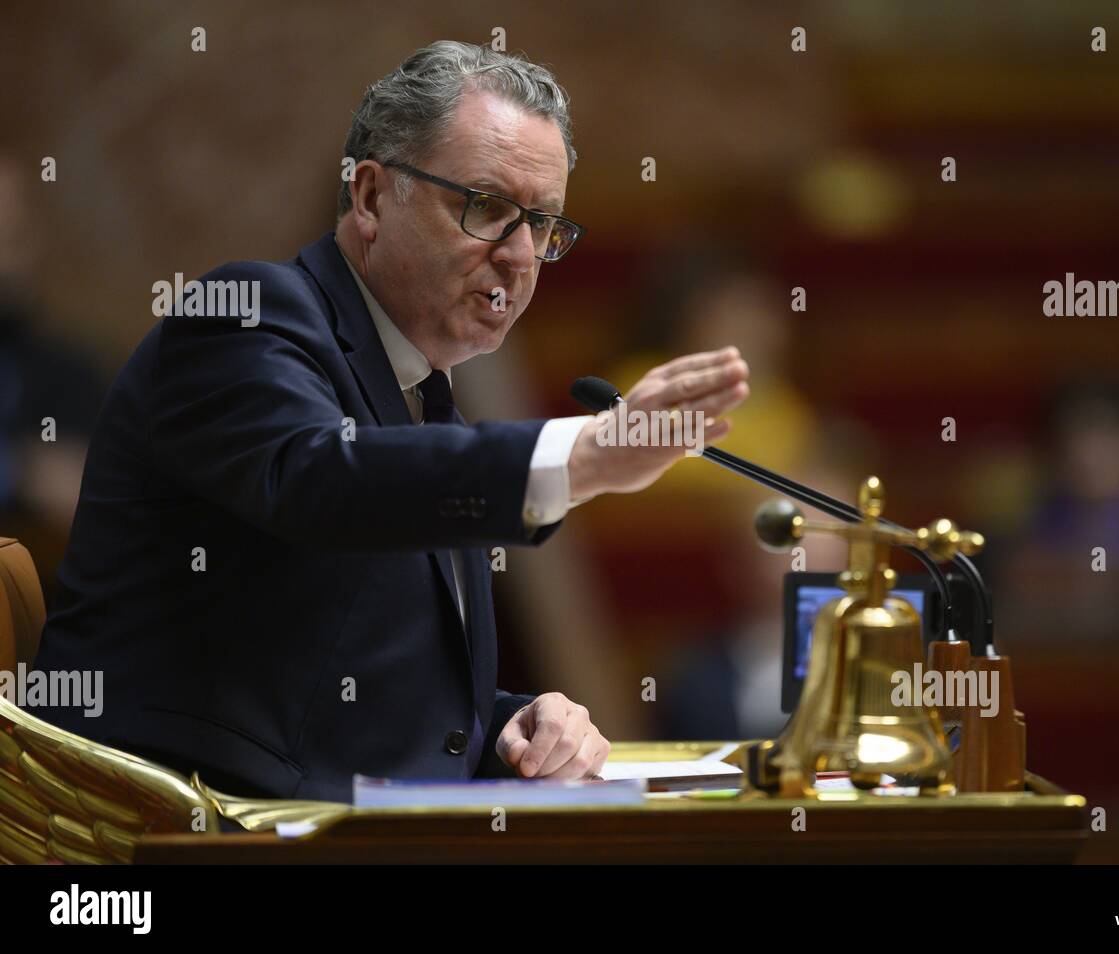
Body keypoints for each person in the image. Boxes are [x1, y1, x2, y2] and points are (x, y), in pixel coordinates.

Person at [27, 41, 749, 801]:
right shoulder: (246, 321)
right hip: (177, 831)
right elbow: (321, 481)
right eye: (489, 208)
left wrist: (513, 726)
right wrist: (582, 456)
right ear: (370, 197)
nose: (521, 256)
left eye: (543, 225)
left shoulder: (420, 388)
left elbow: (354, 669)